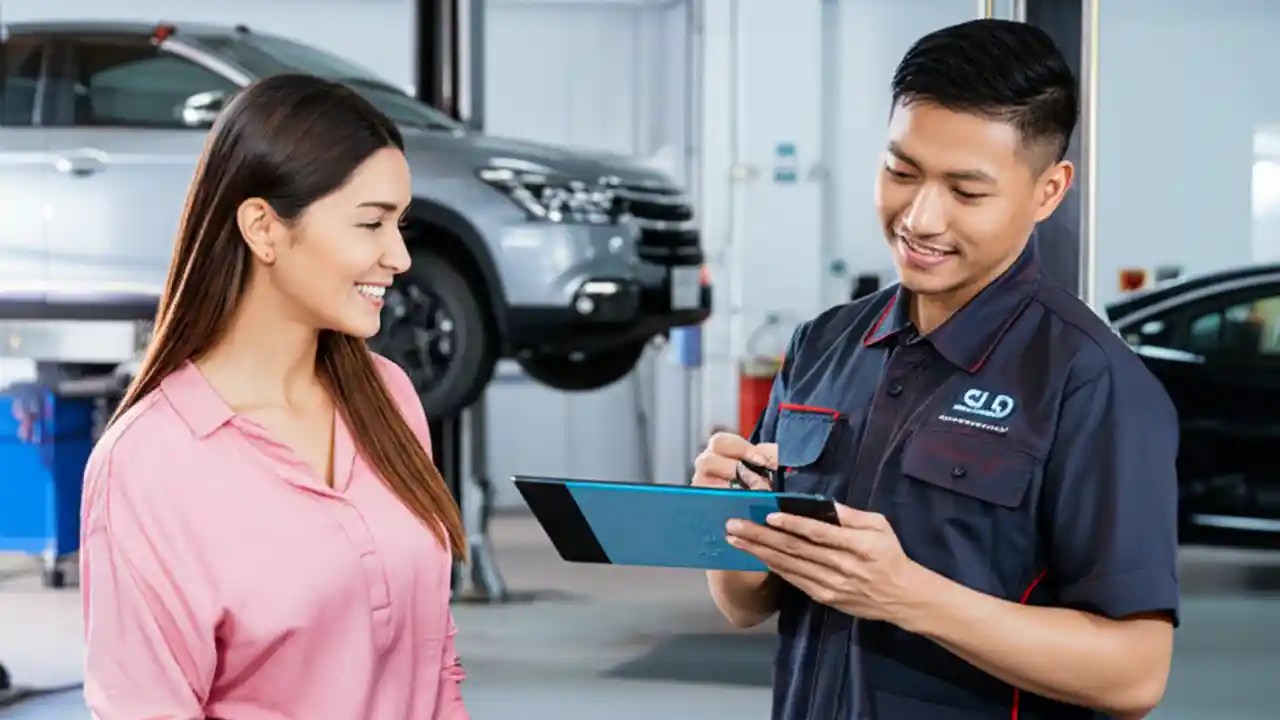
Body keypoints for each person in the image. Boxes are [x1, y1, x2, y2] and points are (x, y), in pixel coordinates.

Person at [693, 19, 1178, 720]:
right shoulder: (822, 346)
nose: (920, 218)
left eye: (966, 191)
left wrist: (908, 596)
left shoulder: (1091, 382)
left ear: (1048, 191)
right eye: (901, 172)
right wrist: (726, 517)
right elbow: (744, 604)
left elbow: (1134, 675)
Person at [79, 74, 469, 720]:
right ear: (263, 227)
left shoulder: (389, 397)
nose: (399, 256)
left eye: (399, 224)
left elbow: (435, 664)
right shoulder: (149, 464)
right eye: (371, 223)